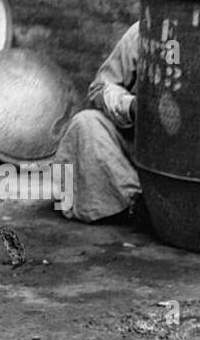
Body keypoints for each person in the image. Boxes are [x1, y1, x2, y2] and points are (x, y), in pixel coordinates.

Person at [51, 22, 145, 223]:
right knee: (86, 124)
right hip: (141, 150)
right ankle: (133, 203)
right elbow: (101, 87)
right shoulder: (144, 31)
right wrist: (131, 106)